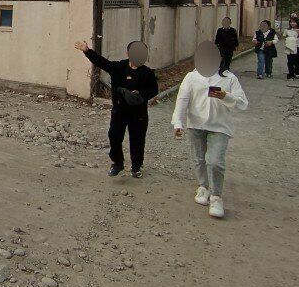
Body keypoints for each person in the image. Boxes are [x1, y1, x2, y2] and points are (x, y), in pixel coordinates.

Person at [172, 41, 249, 219]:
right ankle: (203, 187)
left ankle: (216, 197)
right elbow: (182, 100)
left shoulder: (229, 78)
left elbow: (242, 103)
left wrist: (226, 96)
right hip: (196, 125)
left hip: (219, 126)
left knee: (215, 162)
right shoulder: (191, 77)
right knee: (199, 159)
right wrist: (178, 123)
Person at [74, 39, 159, 178]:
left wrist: (141, 94)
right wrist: (87, 51)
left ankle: (136, 166)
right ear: (128, 53)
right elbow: (101, 62)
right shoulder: (119, 67)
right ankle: (117, 163)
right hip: (120, 110)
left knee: (137, 139)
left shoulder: (147, 72)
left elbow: (154, 90)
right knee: (114, 135)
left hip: (139, 113)